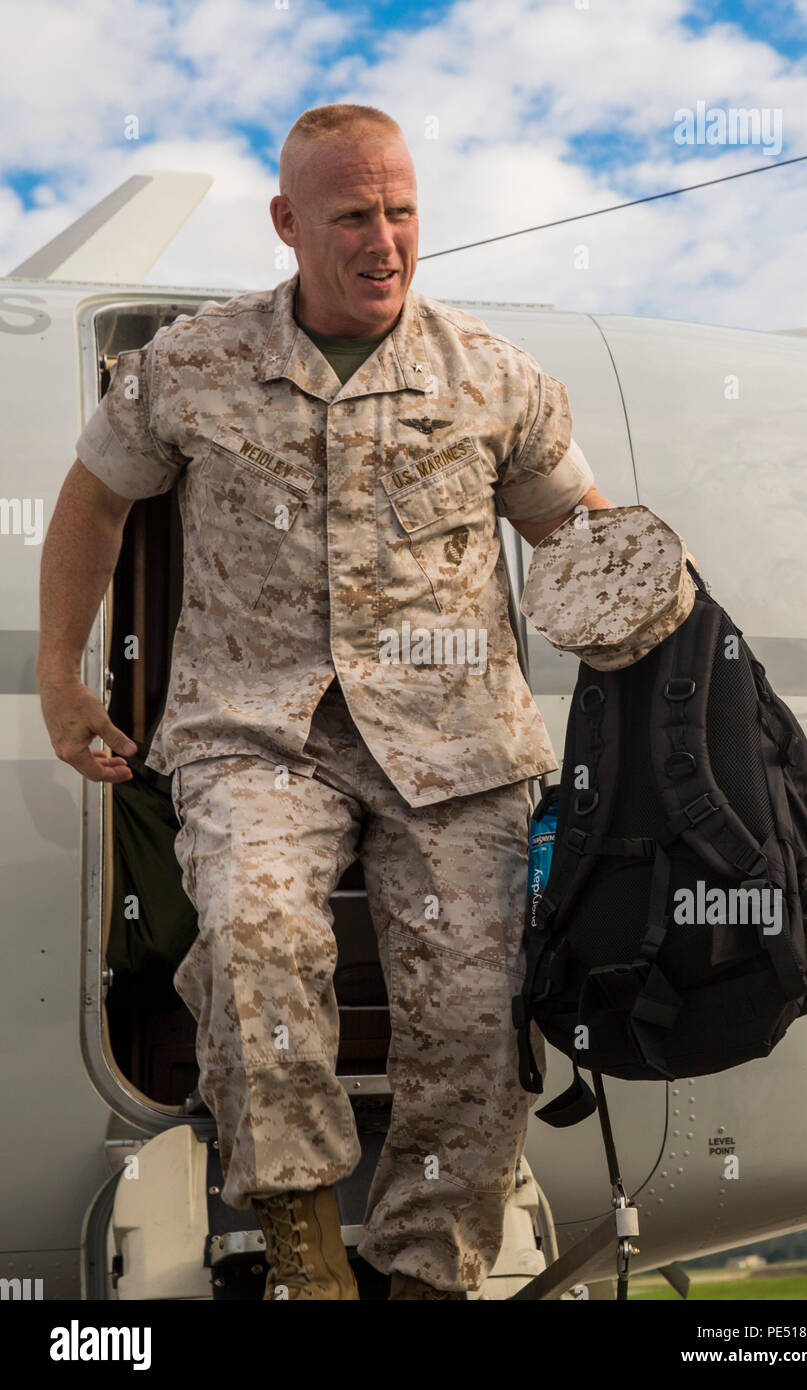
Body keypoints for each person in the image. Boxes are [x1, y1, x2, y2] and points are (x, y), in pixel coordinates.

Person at [37, 103, 617, 1300]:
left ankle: (424, 1275)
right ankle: (305, 1242)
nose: (385, 239)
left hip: (453, 751)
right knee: (255, 939)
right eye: (353, 214)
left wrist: (677, 654)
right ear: (287, 223)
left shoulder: (494, 380)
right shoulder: (191, 366)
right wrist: (62, 677)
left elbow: (578, 536)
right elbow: (93, 500)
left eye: (402, 210)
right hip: (258, 734)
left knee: (470, 1007)